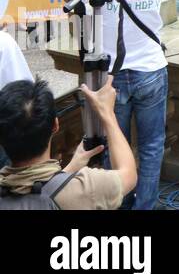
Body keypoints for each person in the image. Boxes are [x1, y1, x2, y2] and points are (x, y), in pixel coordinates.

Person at [61, 0, 170, 211]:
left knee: (112, 143)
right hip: (150, 70)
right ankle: (145, 206)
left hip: (110, 78)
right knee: (151, 146)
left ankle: (117, 204)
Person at [0, 77, 136, 210]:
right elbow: (128, 175)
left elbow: (32, 190)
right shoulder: (87, 190)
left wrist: (69, 169)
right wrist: (107, 113)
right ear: (55, 125)